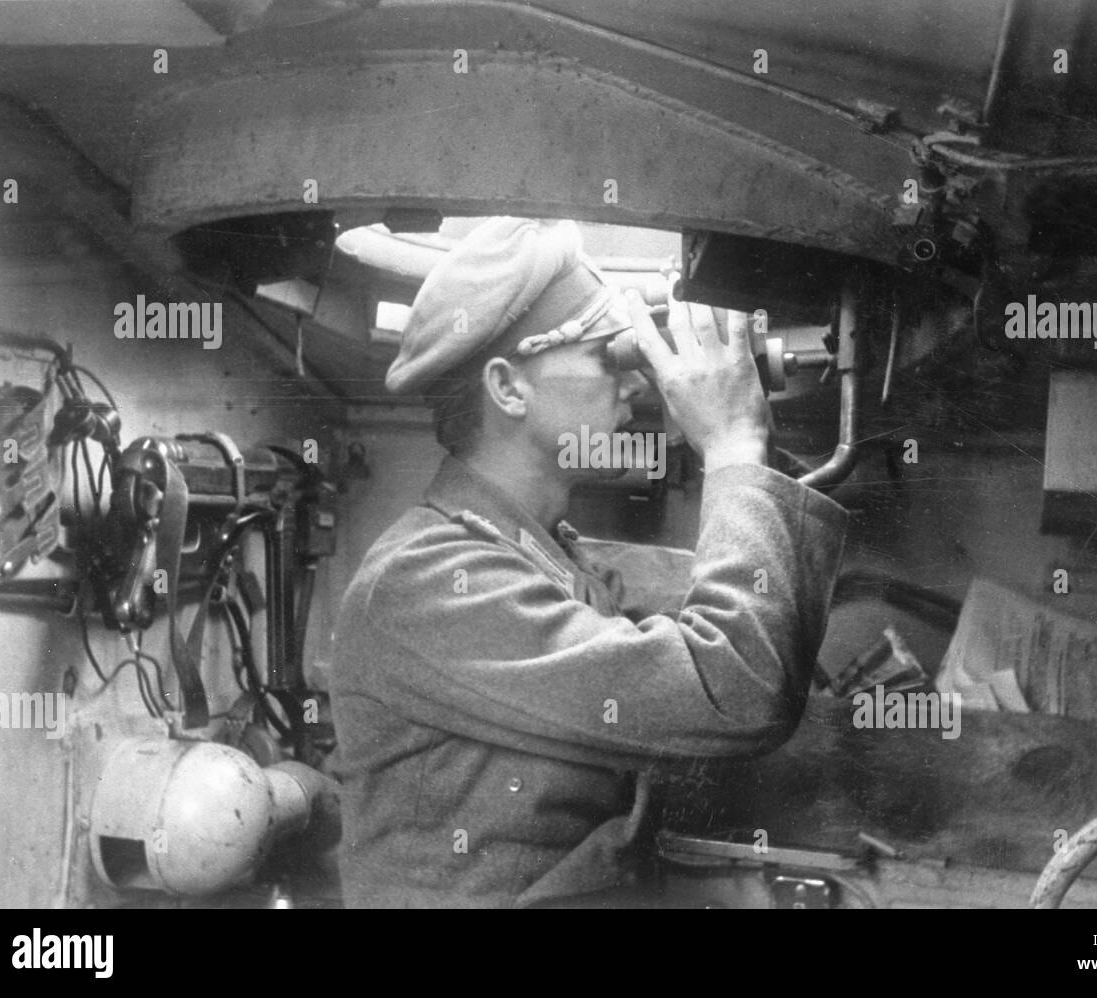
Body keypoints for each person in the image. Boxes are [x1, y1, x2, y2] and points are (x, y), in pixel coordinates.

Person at [331, 217, 848, 907]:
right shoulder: (425, 580)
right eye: (609, 354)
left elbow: (757, 656)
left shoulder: (547, 554)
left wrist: (744, 442)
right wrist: (730, 447)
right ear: (509, 388)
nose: (634, 382)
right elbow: (734, 688)